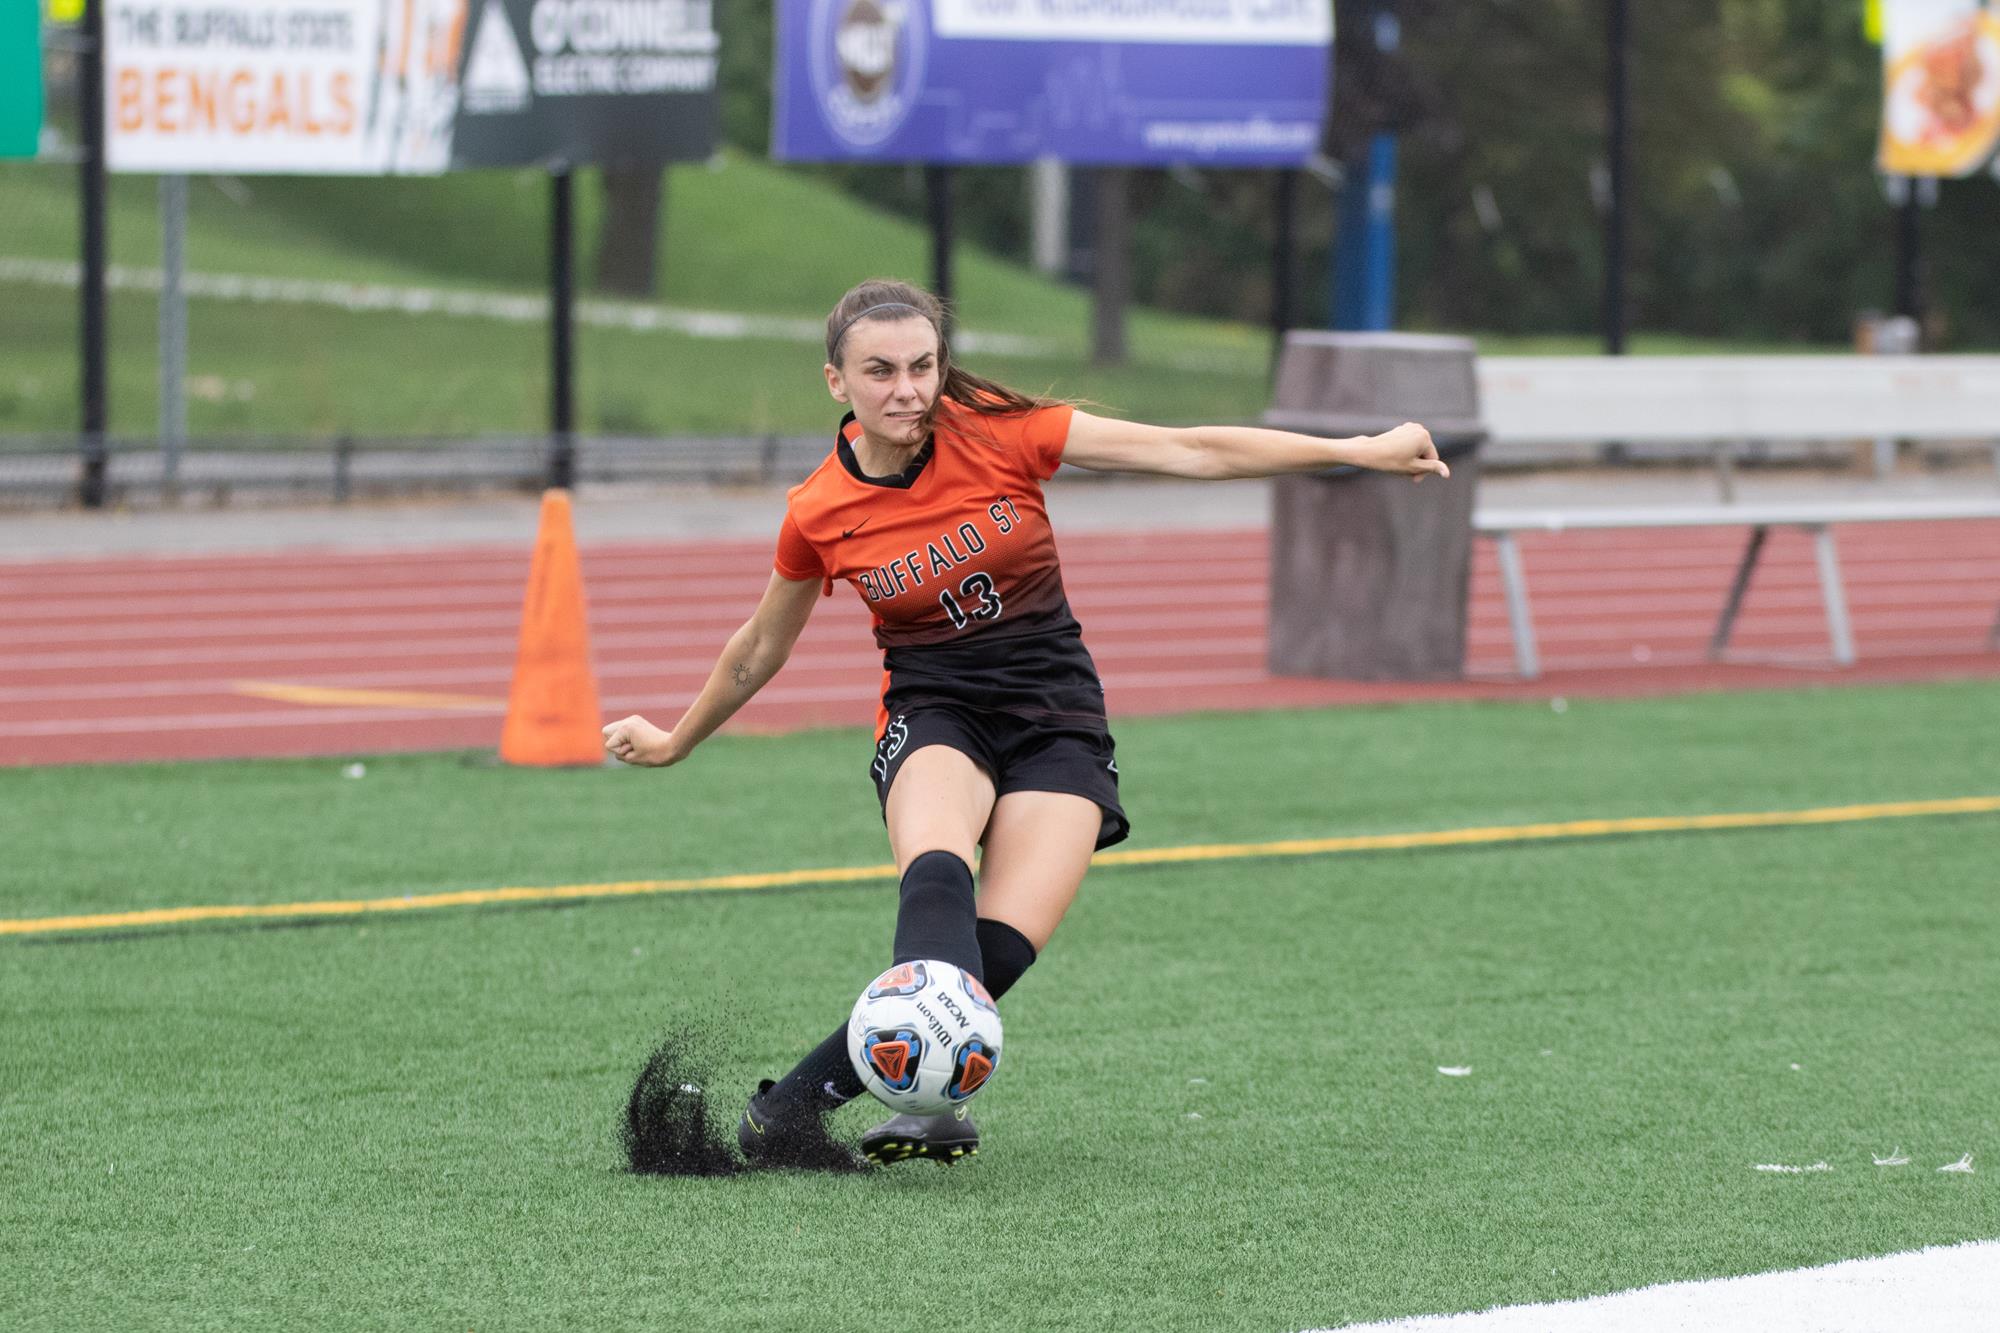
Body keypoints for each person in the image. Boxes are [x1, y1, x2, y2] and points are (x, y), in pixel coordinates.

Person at [602, 277, 1449, 1169]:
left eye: (924, 366)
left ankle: (785, 1116)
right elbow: (757, 649)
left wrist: (1358, 448)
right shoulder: (819, 510)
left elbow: (1192, 449)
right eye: (881, 371)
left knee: (992, 956)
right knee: (936, 877)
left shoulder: (1005, 432)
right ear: (836, 383)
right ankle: (893, 1108)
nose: (908, 390)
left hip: (1057, 716)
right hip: (937, 710)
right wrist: (675, 737)